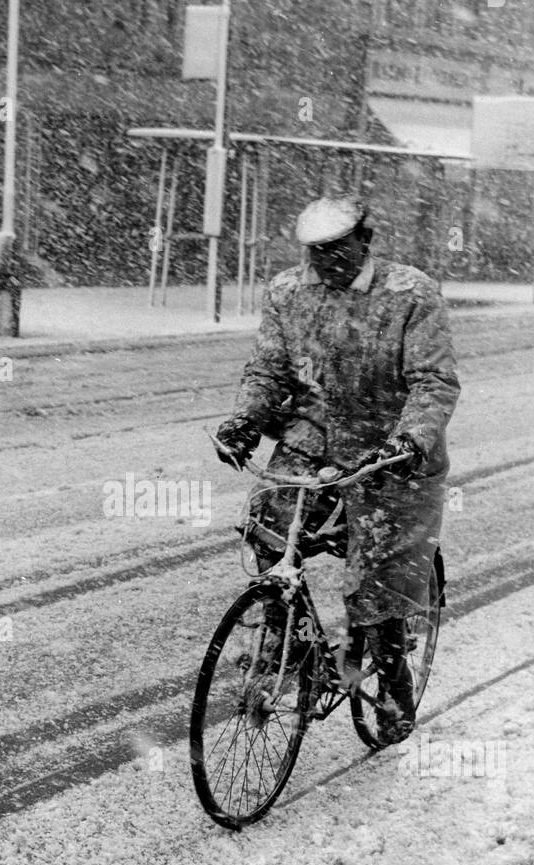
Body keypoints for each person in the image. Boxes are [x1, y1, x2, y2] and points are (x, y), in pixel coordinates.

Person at [214, 194, 460, 746]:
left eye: (338, 249)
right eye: (316, 252)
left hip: (389, 454)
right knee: (270, 526)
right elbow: (270, 370)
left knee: (377, 580)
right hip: (312, 441)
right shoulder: (288, 293)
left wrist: (409, 439)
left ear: (365, 241)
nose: (327, 261)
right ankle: (286, 634)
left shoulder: (410, 294)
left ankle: (393, 688)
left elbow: (432, 382)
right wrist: (246, 422)